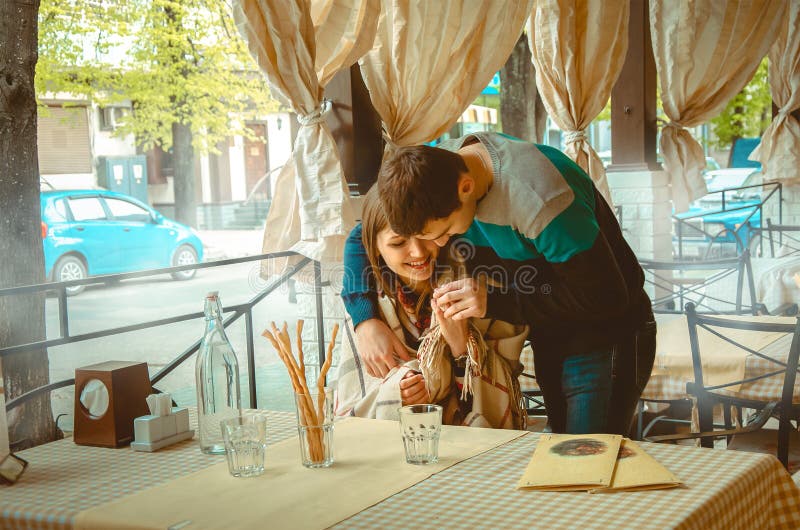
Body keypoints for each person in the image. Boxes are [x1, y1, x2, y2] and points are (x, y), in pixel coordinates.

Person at [341, 132, 656, 435]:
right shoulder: (434, 170)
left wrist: (493, 301)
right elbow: (363, 236)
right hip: (550, 334)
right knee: (562, 452)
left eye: (445, 232)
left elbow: (605, 297)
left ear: (466, 188)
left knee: (590, 457)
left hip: (605, 337)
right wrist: (364, 320)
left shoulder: (541, 200)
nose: (437, 246)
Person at [335, 187, 528, 429]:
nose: (418, 252)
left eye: (424, 234)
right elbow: (353, 404)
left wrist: (461, 348)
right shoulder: (366, 306)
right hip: (394, 447)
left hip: (469, 440)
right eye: (398, 243)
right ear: (372, 247)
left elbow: (503, 383)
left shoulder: (476, 285)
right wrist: (394, 395)